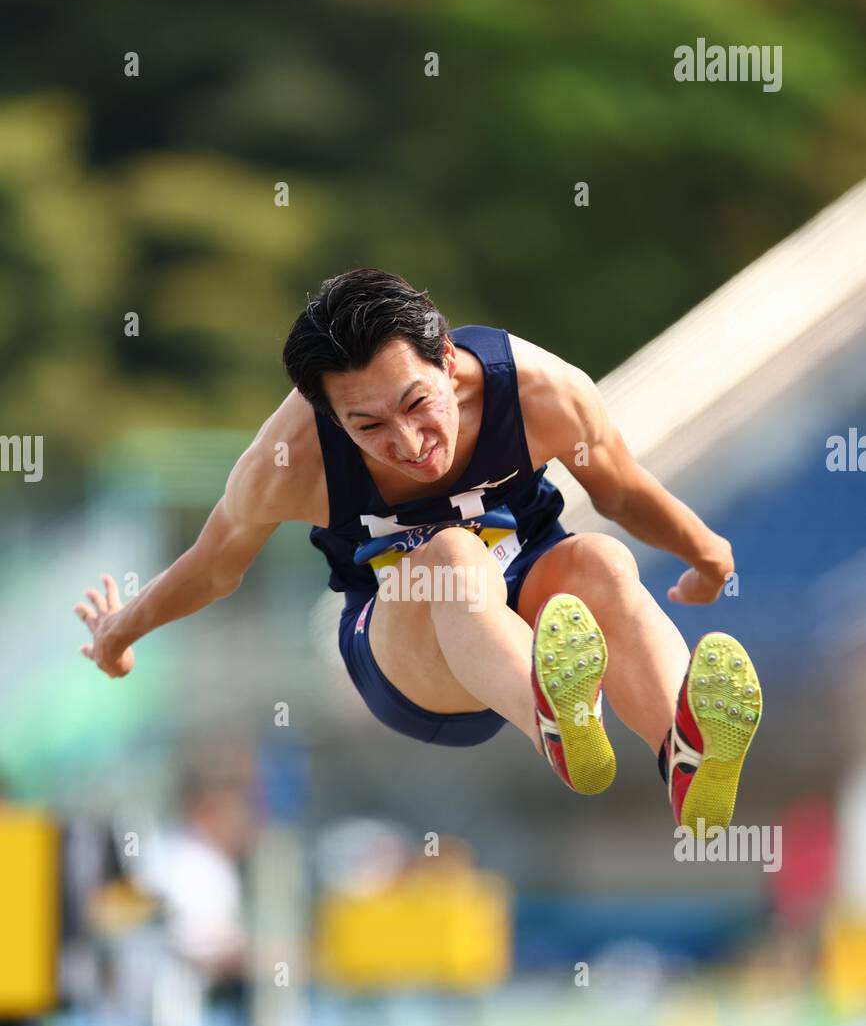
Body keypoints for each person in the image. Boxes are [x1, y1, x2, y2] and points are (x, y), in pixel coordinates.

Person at [75, 269, 762, 829]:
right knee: (452, 558)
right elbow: (215, 566)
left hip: (530, 599)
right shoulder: (290, 460)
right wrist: (118, 631)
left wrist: (705, 552)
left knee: (602, 561)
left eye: (416, 404)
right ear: (327, 414)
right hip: (409, 654)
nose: (407, 443)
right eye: (366, 425)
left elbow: (620, 491)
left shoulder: (539, 392)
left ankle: (685, 752)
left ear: (448, 360)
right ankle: (554, 716)